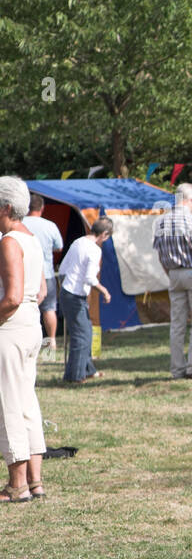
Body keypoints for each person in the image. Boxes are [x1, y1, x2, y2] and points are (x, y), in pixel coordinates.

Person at [0, 178, 46, 502]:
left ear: (5, 207)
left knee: (9, 405)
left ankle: (16, 485)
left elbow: (12, 297)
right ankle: (35, 482)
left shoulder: (9, 241)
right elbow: (40, 291)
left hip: (12, 327)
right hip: (32, 324)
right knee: (27, 401)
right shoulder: (33, 239)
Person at [153, 182, 192, 379]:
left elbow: (160, 254)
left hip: (174, 274)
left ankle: (177, 369)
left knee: (177, 324)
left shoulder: (161, 221)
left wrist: (170, 274)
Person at [57, 217, 113, 384]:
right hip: (75, 295)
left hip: (68, 292)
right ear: (104, 234)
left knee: (85, 332)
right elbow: (90, 278)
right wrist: (104, 291)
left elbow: (63, 268)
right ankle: (74, 376)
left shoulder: (77, 242)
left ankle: (88, 370)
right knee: (81, 337)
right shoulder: (95, 250)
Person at [22, 193, 62, 348]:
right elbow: (59, 247)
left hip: (24, 273)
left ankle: (27, 342)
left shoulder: (18, 223)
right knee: (49, 309)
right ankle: (51, 341)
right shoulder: (50, 225)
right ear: (42, 208)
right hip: (47, 273)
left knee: (25, 308)